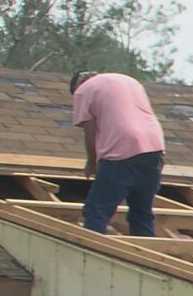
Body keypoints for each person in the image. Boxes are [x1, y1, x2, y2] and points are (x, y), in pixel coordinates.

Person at [69, 71, 166, 236]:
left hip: (121, 149)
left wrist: (92, 162)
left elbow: (90, 130)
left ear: (78, 85)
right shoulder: (130, 81)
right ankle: (144, 257)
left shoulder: (83, 90)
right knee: (141, 214)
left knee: (96, 211)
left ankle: (93, 255)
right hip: (154, 147)